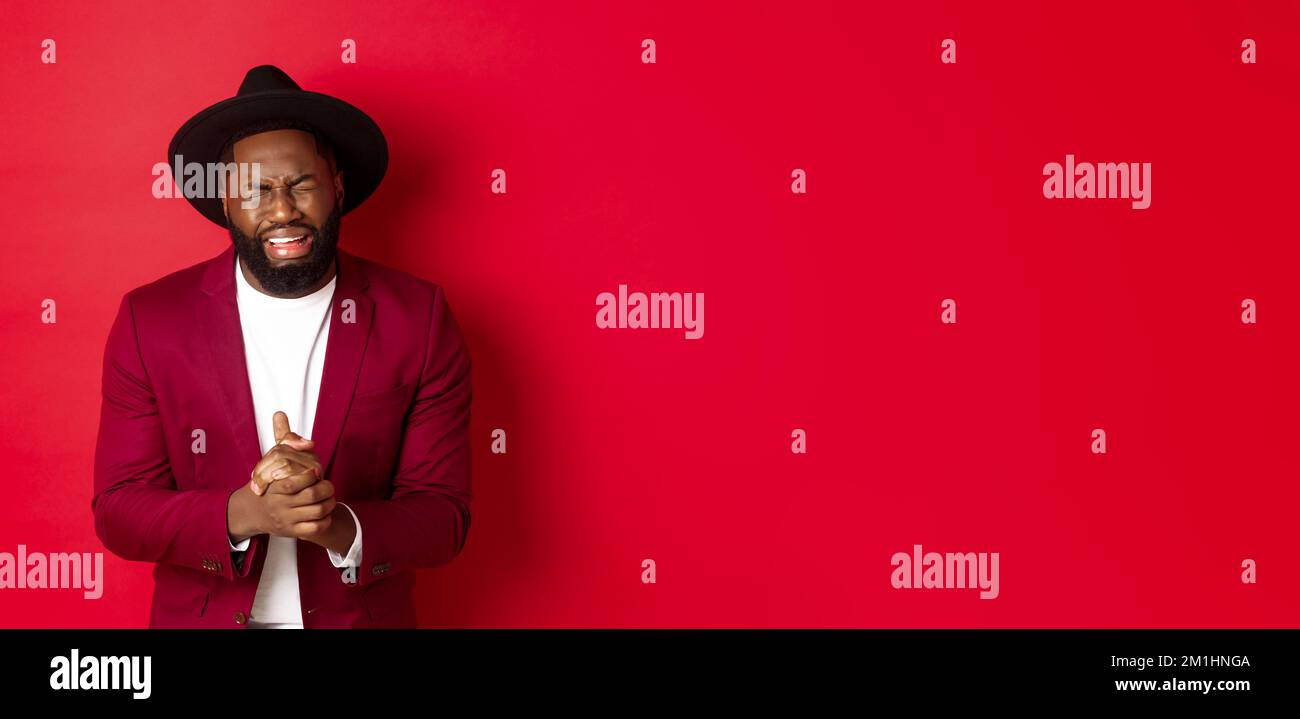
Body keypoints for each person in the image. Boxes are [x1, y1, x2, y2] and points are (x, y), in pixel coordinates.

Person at [92, 65, 473, 628]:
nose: (281, 211)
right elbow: (118, 510)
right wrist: (244, 513)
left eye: (301, 184)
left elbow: (445, 517)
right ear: (225, 201)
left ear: (336, 186)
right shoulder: (151, 319)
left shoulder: (419, 316)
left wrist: (331, 519)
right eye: (255, 190)